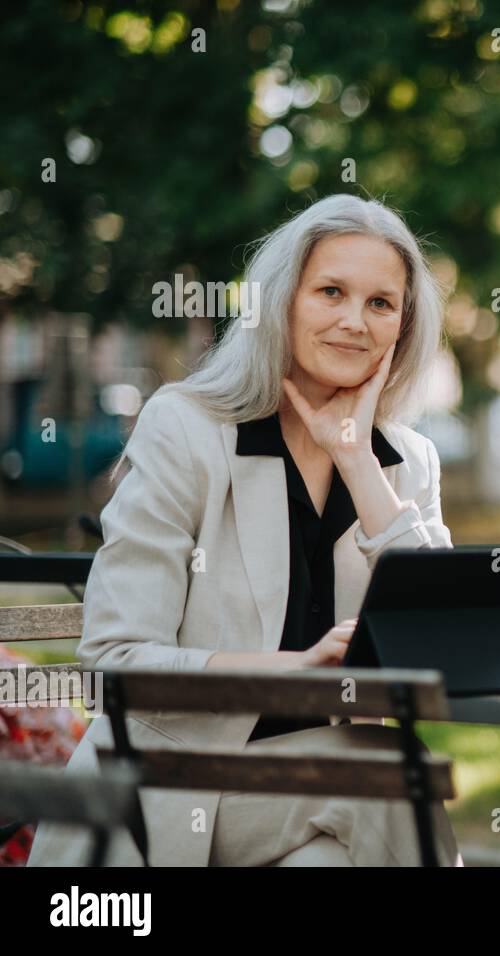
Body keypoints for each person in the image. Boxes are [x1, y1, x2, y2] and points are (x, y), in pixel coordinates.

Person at [28, 194, 461, 866]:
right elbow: (115, 662)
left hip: (305, 813)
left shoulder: (406, 463)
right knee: (385, 772)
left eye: (381, 303)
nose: (355, 320)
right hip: (165, 793)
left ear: (404, 327)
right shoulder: (187, 430)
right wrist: (295, 669)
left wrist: (356, 458)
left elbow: (451, 645)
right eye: (331, 292)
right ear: (281, 303)